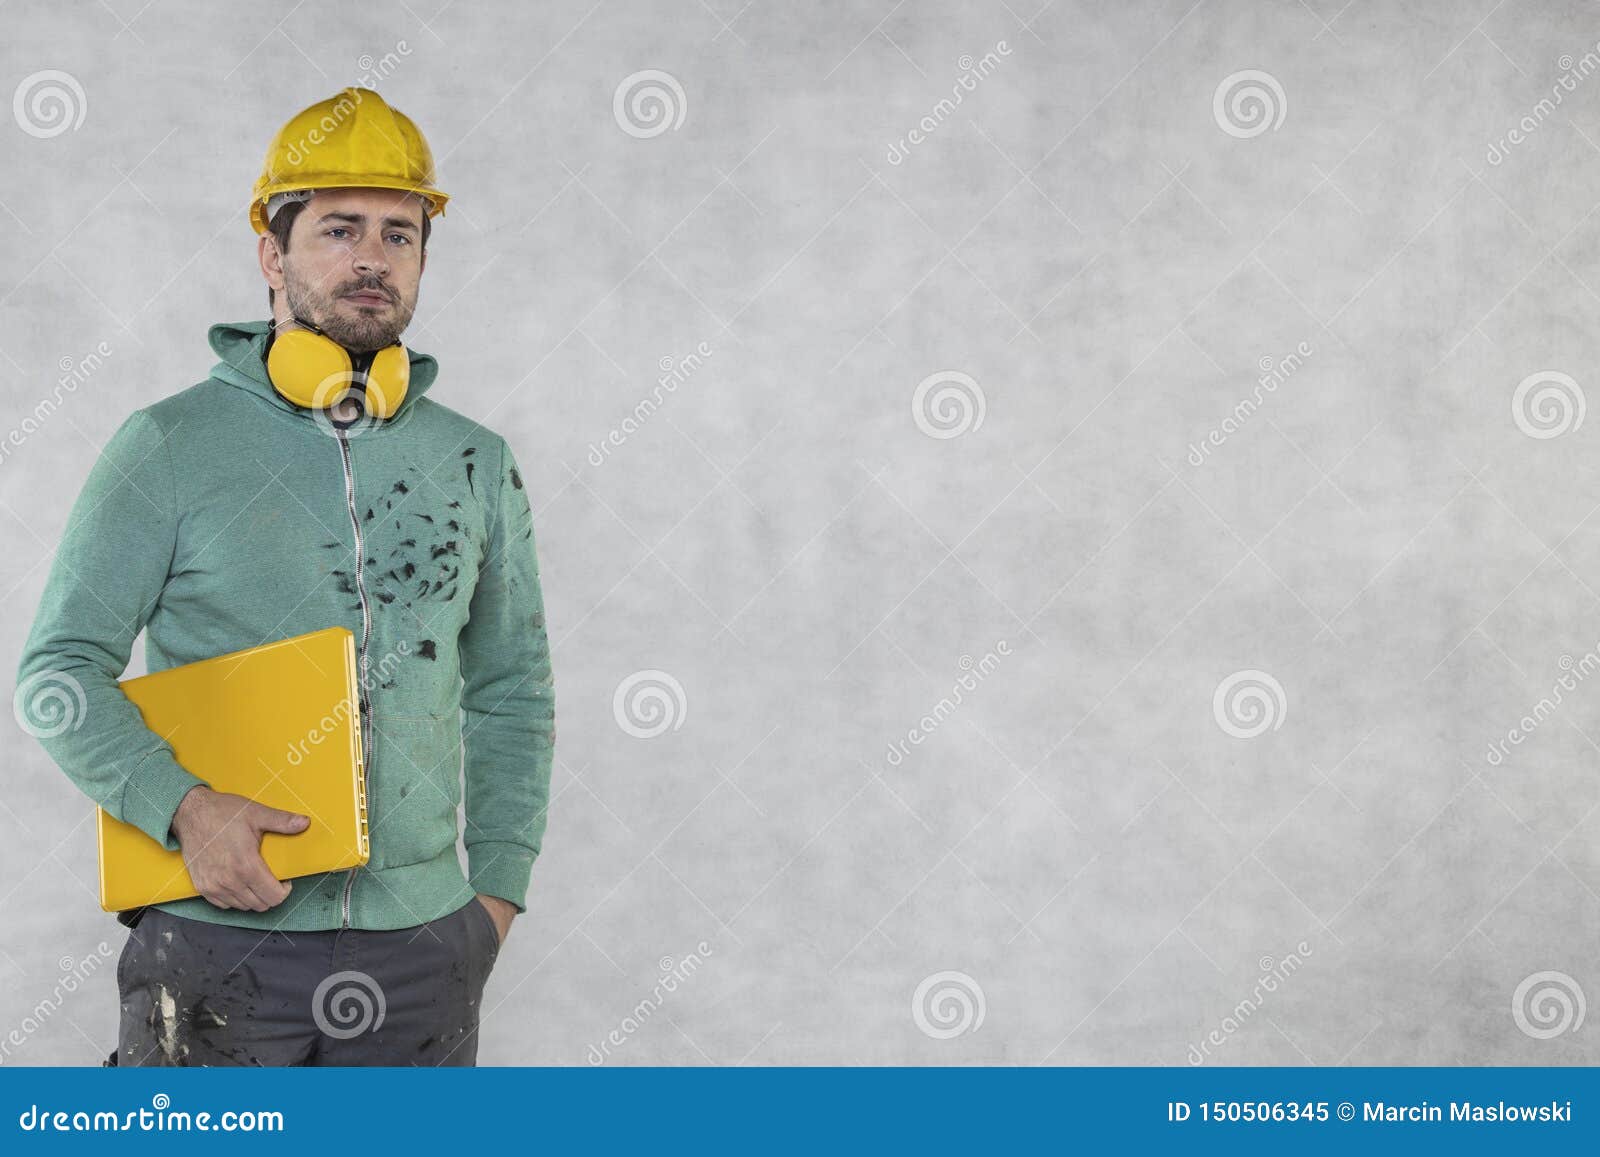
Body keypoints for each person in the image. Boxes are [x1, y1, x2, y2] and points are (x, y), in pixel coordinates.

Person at [13, 86, 555, 1066]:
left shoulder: (475, 459)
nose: (370, 259)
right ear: (271, 252)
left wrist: (495, 898)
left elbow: (513, 686)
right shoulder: (166, 444)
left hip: (427, 950)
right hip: (218, 945)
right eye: (339, 228)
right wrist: (182, 807)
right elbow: (56, 672)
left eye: (400, 234)